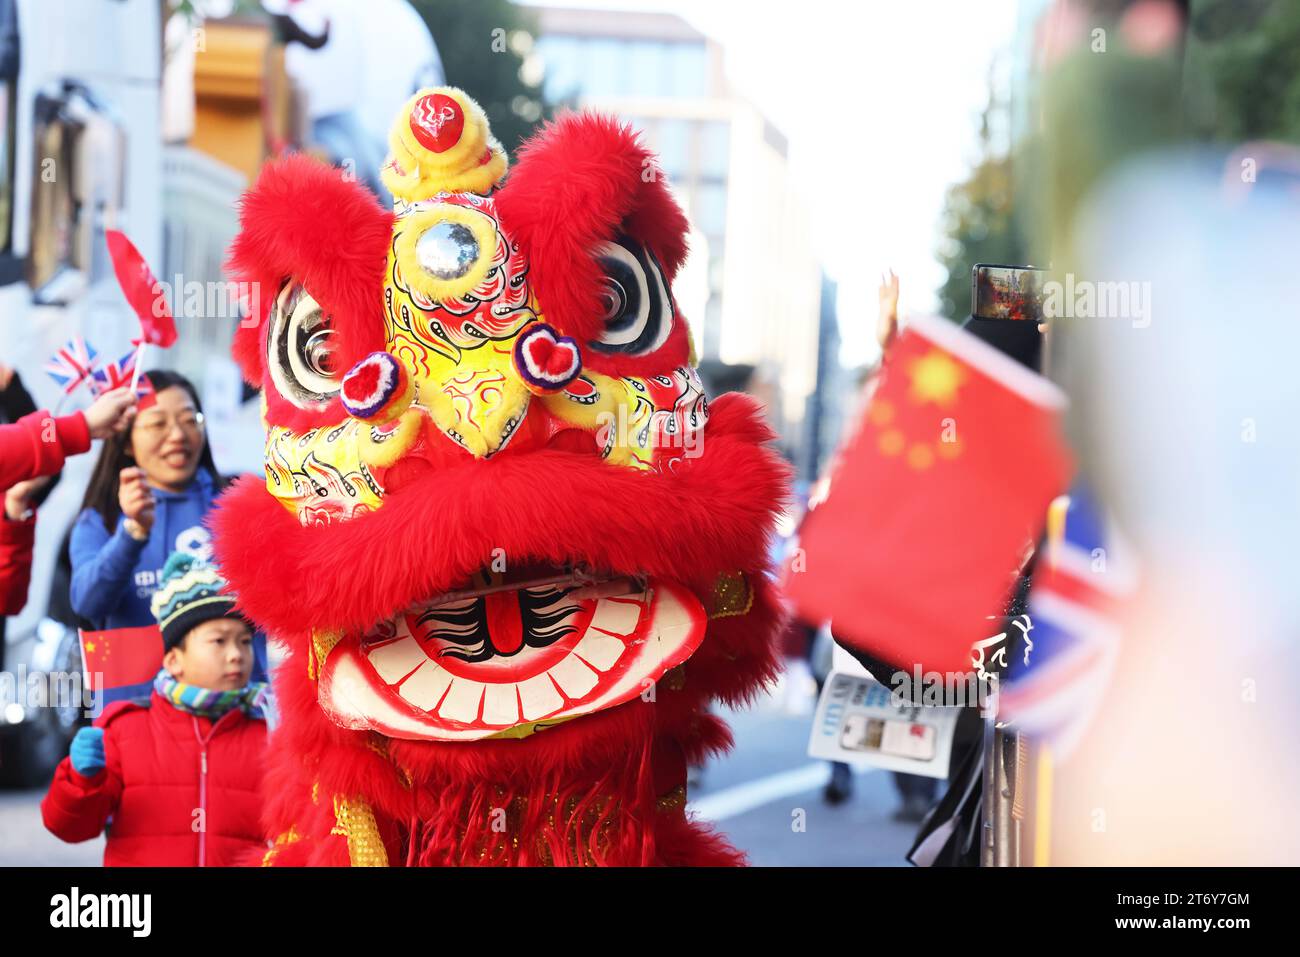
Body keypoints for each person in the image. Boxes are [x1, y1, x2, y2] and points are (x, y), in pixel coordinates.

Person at [41, 553, 271, 866]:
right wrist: (81, 780)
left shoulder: (271, 735)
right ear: (173, 659)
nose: (236, 655)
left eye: (244, 641)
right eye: (219, 641)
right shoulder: (124, 729)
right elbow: (69, 827)